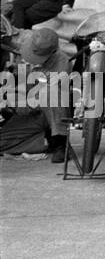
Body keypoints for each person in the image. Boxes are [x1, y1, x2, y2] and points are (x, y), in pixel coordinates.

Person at [0, 28, 72, 161]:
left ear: (52, 52)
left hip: (46, 112)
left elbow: (39, 100)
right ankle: (43, 141)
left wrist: (14, 104)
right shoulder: (25, 48)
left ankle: (59, 142)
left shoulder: (62, 64)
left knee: (50, 93)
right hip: (26, 110)